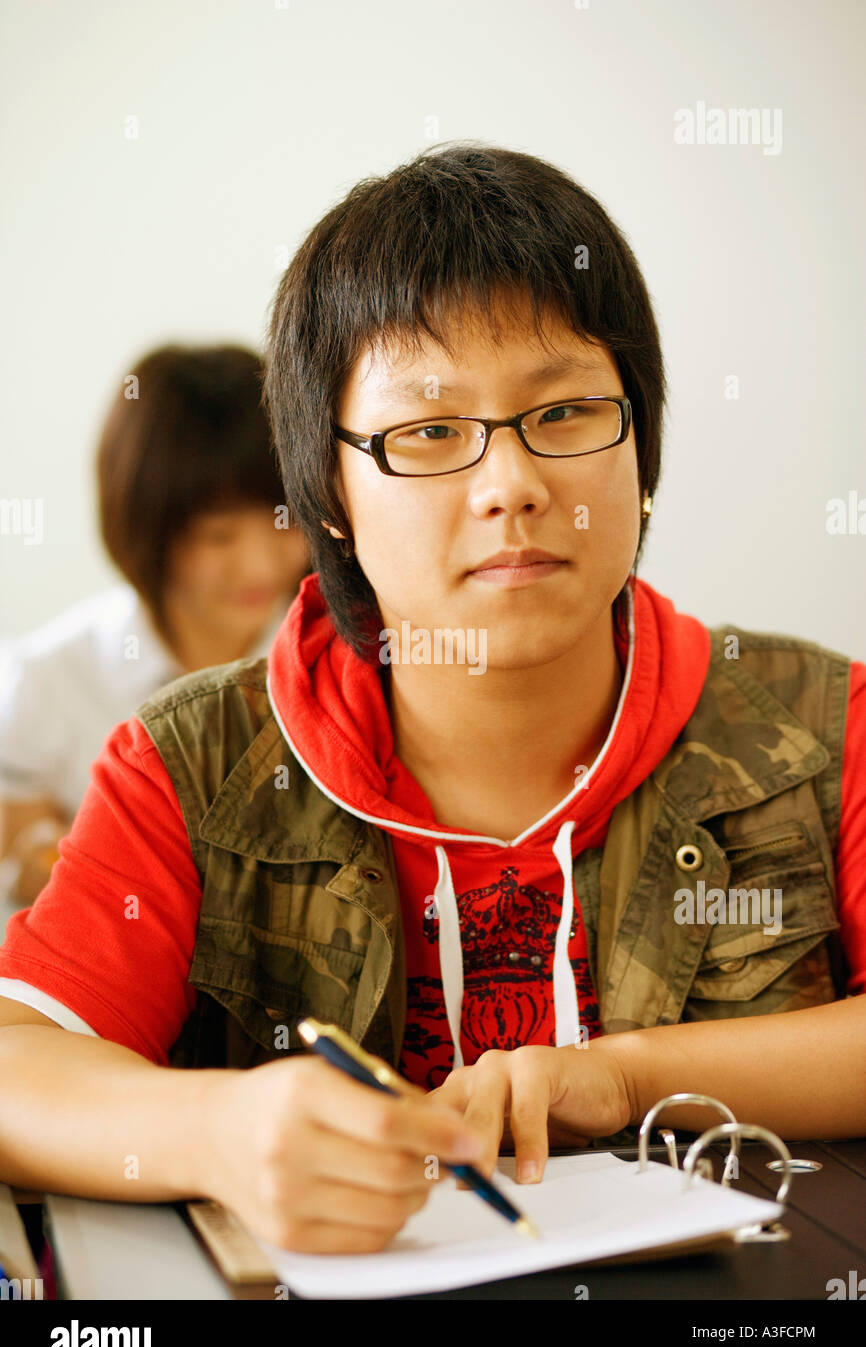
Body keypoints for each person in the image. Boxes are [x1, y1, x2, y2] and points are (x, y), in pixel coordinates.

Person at [0, 144, 864, 1259]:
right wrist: (220, 1127)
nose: (511, 483)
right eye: (429, 433)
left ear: (638, 446)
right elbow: (19, 1060)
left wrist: (619, 1076)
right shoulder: (191, 762)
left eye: (562, 414)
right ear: (329, 493)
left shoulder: (823, 725)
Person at [0, 344, 309, 905]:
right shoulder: (46, 684)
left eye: (285, 522)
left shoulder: (337, 658)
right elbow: (21, 863)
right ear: (147, 525)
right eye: (220, 536)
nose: (262, 565)